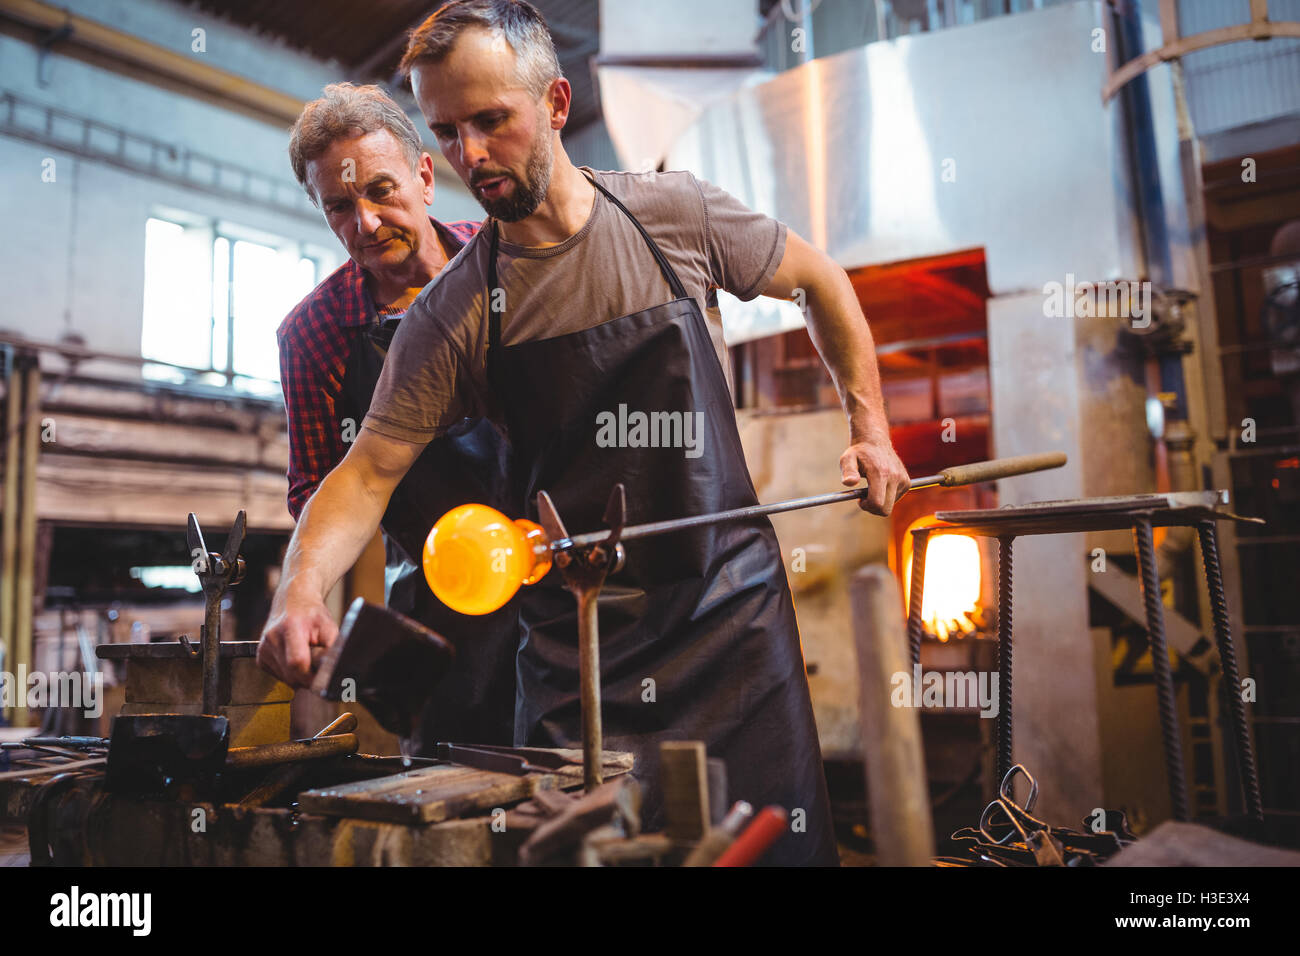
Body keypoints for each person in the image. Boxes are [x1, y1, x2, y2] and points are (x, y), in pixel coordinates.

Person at [260, 1, 909, 866]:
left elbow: (821, 282)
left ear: (558, 104)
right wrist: (300, 590)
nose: (472, 156)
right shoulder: (454, 314)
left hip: (733, 624)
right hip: (578, 655)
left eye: (493, 121)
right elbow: (366, 473)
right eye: (451, 131)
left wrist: (872, 431)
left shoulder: (674, 217)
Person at [276, 82, 515, 749]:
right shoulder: (314, 334)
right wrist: (302, 593)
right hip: (445, 614)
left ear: (426, 176)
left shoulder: (512, 260)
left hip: (568, 581)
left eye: (381, 191)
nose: (366, 224)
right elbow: (320, 491)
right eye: (339, 207)